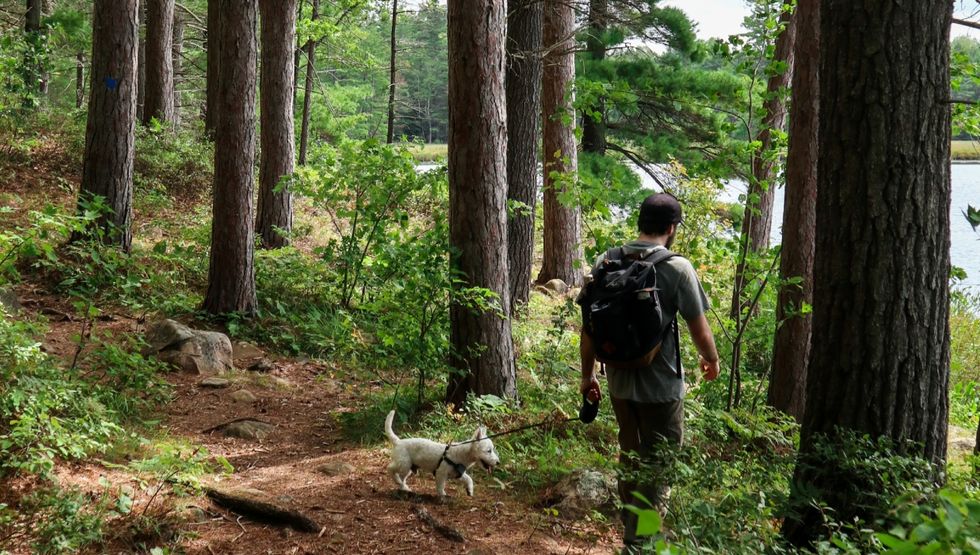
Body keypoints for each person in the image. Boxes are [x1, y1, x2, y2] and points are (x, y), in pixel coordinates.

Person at [578, 193, 720, 551]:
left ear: (640, 222)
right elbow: (699, 330)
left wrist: (587, 375)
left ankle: (633, 531)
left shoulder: (606, 260)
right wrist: (711, 359)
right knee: (658, 466)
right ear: (671, 228)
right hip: (662, 390)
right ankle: (640, 542)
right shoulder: (676, 268)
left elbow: (588, 328)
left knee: (629, 458)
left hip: (619, 384)